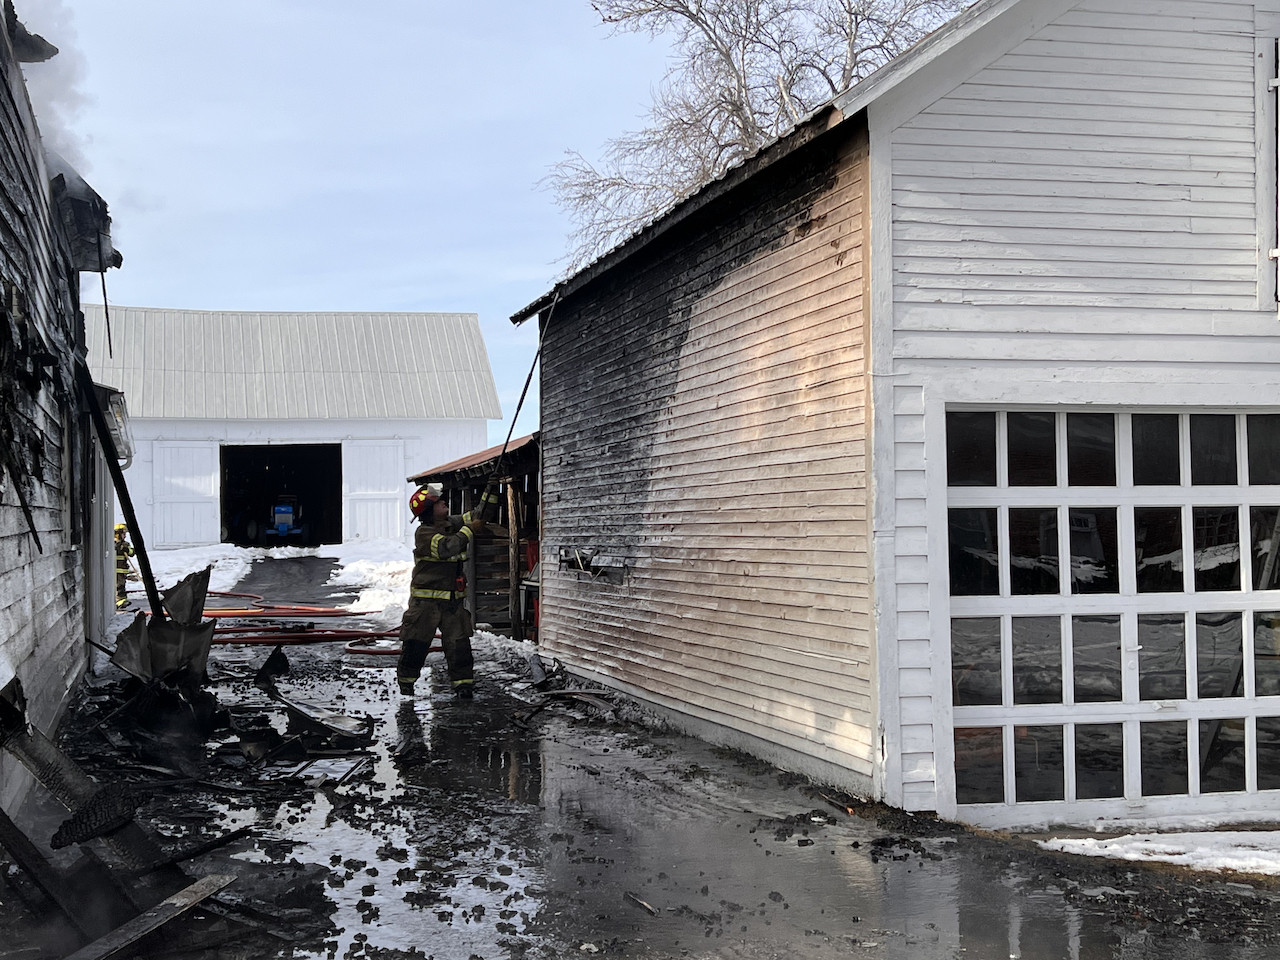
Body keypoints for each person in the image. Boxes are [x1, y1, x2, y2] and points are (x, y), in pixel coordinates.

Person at [397, 481, 501, 698]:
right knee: (416, 644)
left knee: (459, 645)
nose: (444, 502)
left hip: (453, 603)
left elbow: (477, 514)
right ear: (429, 511)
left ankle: (463, 687)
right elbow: (447, 548)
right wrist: (469, 530)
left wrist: (491, 489)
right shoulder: (424, 534)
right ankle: (406, 683)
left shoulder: (449, 523)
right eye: (438, 502)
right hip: (424, 605)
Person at [114, 524, 134, 609]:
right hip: (116, 569)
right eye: (123, 534)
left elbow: (132, 552)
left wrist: (127, 549)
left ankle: (122, 601)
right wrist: (118, 547)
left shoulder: (125, 544)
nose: (125, 535)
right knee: (118, 586)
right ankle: (119, 601)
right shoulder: (112, 543)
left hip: (122, 570)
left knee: (122, 585)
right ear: (117, 534)